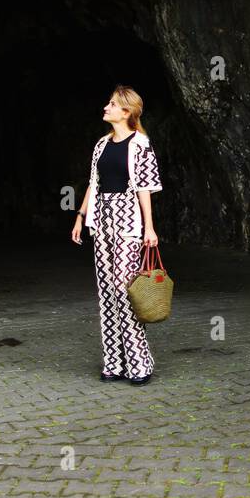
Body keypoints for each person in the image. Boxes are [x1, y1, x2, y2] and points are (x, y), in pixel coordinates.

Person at [71, 85, 162, 385]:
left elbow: (145, 188)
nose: (106, 107)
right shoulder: (101, 145)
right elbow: (92, 183)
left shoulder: (141, 144)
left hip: (128, 221)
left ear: (127, 112)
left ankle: (140, 362)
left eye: (112, 104)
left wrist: (149, 227)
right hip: (100, 219)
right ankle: (114, 362)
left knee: (125, 289)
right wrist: (80, 217)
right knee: (107, 291)